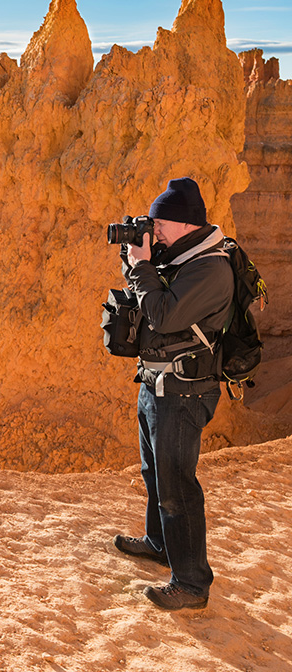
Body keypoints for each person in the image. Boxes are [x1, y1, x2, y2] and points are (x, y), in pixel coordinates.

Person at [113, 177, 234, 611]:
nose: (153, 229)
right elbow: (146, 303)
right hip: (157, 384)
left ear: (184, 223)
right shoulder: (180, 257)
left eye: (160, 221)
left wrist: (142, 265)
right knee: (155, 475)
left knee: (177, 487)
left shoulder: (210, 267)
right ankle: (159, 542)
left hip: (183, 392)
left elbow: (163, 316)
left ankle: (191, 583)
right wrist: (138, 263)